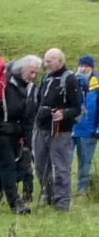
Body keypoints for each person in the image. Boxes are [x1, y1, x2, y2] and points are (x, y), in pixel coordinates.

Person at [0, 55, 39, 215]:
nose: (34, 76)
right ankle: (15, 203)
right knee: (8, 166)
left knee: (6, 167)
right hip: (0, 132)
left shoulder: (31, 89)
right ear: (21, 70)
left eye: (36, 72)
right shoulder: (2, 84)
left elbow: (29, 117)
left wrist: (28, 141)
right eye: (31, 72)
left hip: (17, 134)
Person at [33, 48, 84, 211]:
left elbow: (77, 108)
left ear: (60, 61)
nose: (45, 64)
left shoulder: (69, 79)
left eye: (49, 61)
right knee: (40, 166)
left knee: (61, 166)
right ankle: (48, 194)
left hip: (60, 130)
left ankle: (62, 202)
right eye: (45, 60)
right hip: (42, 127)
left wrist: (63, 113)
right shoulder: (46, 78)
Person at [74, 54, 98, 193]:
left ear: (92, 68)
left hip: (88, 130)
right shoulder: (72, 81)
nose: (83, 69)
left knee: (85, 161)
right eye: (81, 66)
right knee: (64, 160)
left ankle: (82, 189)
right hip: (71, 128)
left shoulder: (96, 86)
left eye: (86, 66)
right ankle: (63, 187)